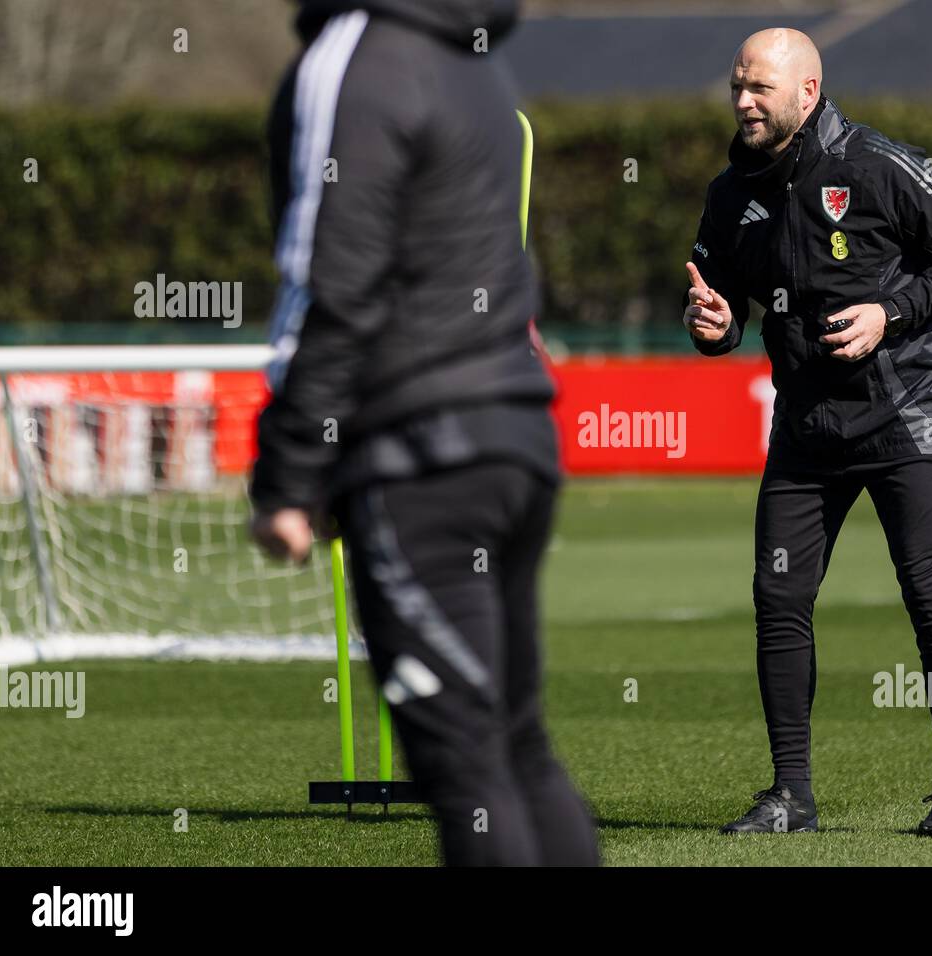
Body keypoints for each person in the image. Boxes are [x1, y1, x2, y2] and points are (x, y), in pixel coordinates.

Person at [248, 0, 599, 866]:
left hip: (419, 458)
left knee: (470, 771)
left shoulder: (357, 58)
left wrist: (291, 472)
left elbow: (333, 283)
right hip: (513, 436)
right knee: (517, 748)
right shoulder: (472, 58)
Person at [684, 28, 932, 836]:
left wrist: (888, 313)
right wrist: (711, 325)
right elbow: (718, 319)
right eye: (737, 88)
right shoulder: (729, 196)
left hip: (906, 417)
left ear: (808, 91)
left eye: (759, 88)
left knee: (930, 595)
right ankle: (791, 795)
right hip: (807, 429)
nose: (744, 102)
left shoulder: (882, 167)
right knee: (779, 598)